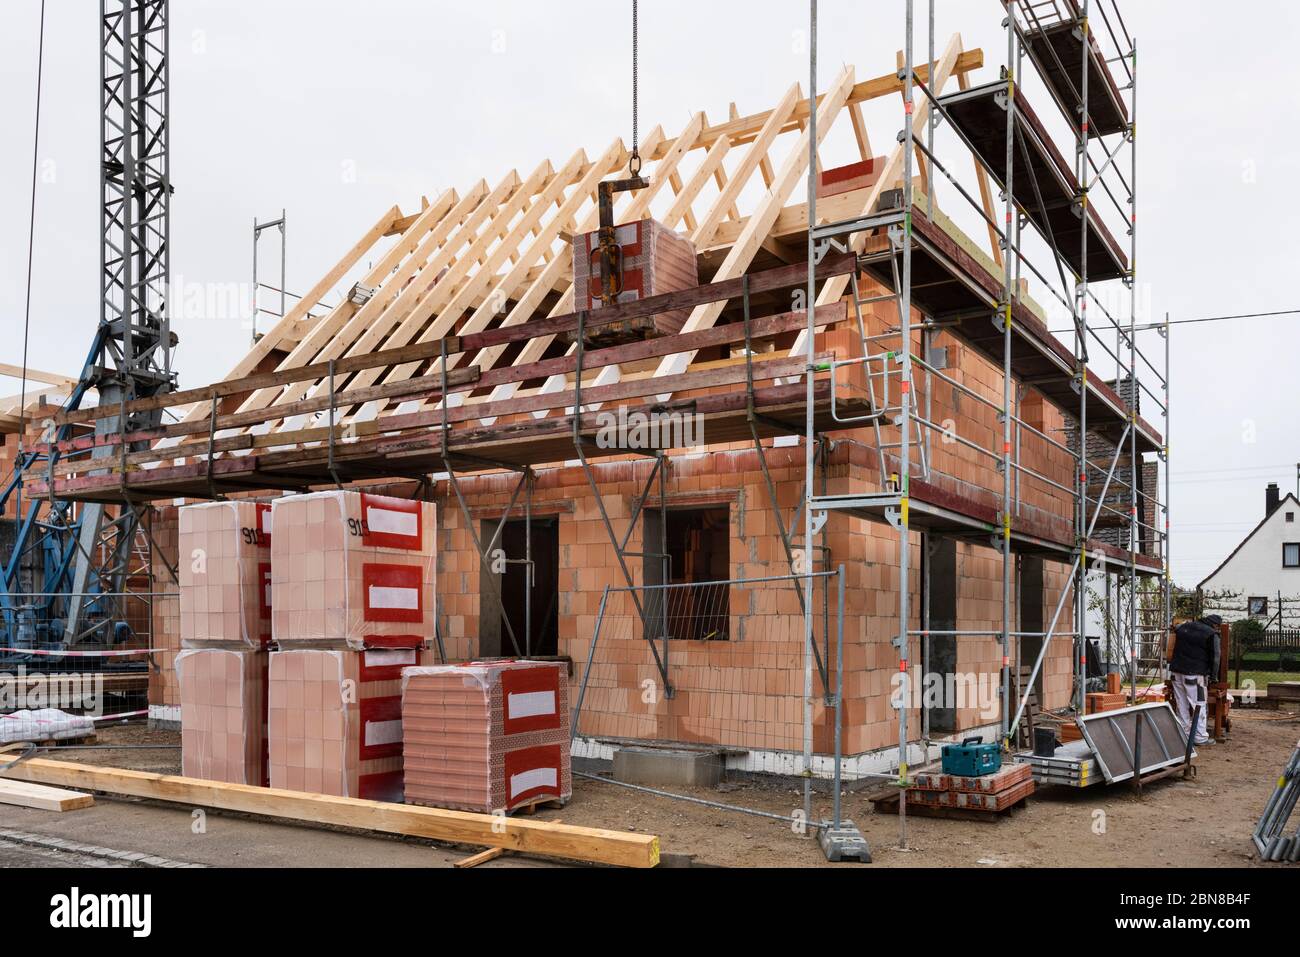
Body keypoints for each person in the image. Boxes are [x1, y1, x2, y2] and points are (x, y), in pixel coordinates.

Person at [1169, 614, 1221, 746]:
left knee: (1181, 704)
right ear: (1215, 625)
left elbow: (1176, 627)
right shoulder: (1211, 634)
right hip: (1194, 674)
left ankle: (1183, 734)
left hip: (1176, 672)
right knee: (1198, 704)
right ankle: (1200, 737)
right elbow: (1216, 657)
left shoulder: (1183, 628)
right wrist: (1214, 676)